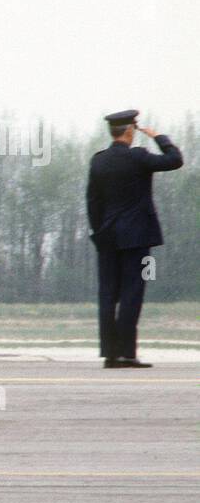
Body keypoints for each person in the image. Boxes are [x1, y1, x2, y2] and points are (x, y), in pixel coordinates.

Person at [86, 110, 184, 368]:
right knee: (132, 293)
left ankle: (110, 354)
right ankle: (126, 353)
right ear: (130, 131)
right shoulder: (138, 157)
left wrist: (99, 232)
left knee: (107, 295)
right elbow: (175, 160)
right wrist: (158, 136)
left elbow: (92, 202)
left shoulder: (98, 161)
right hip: (137, 237)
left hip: (107, 238)